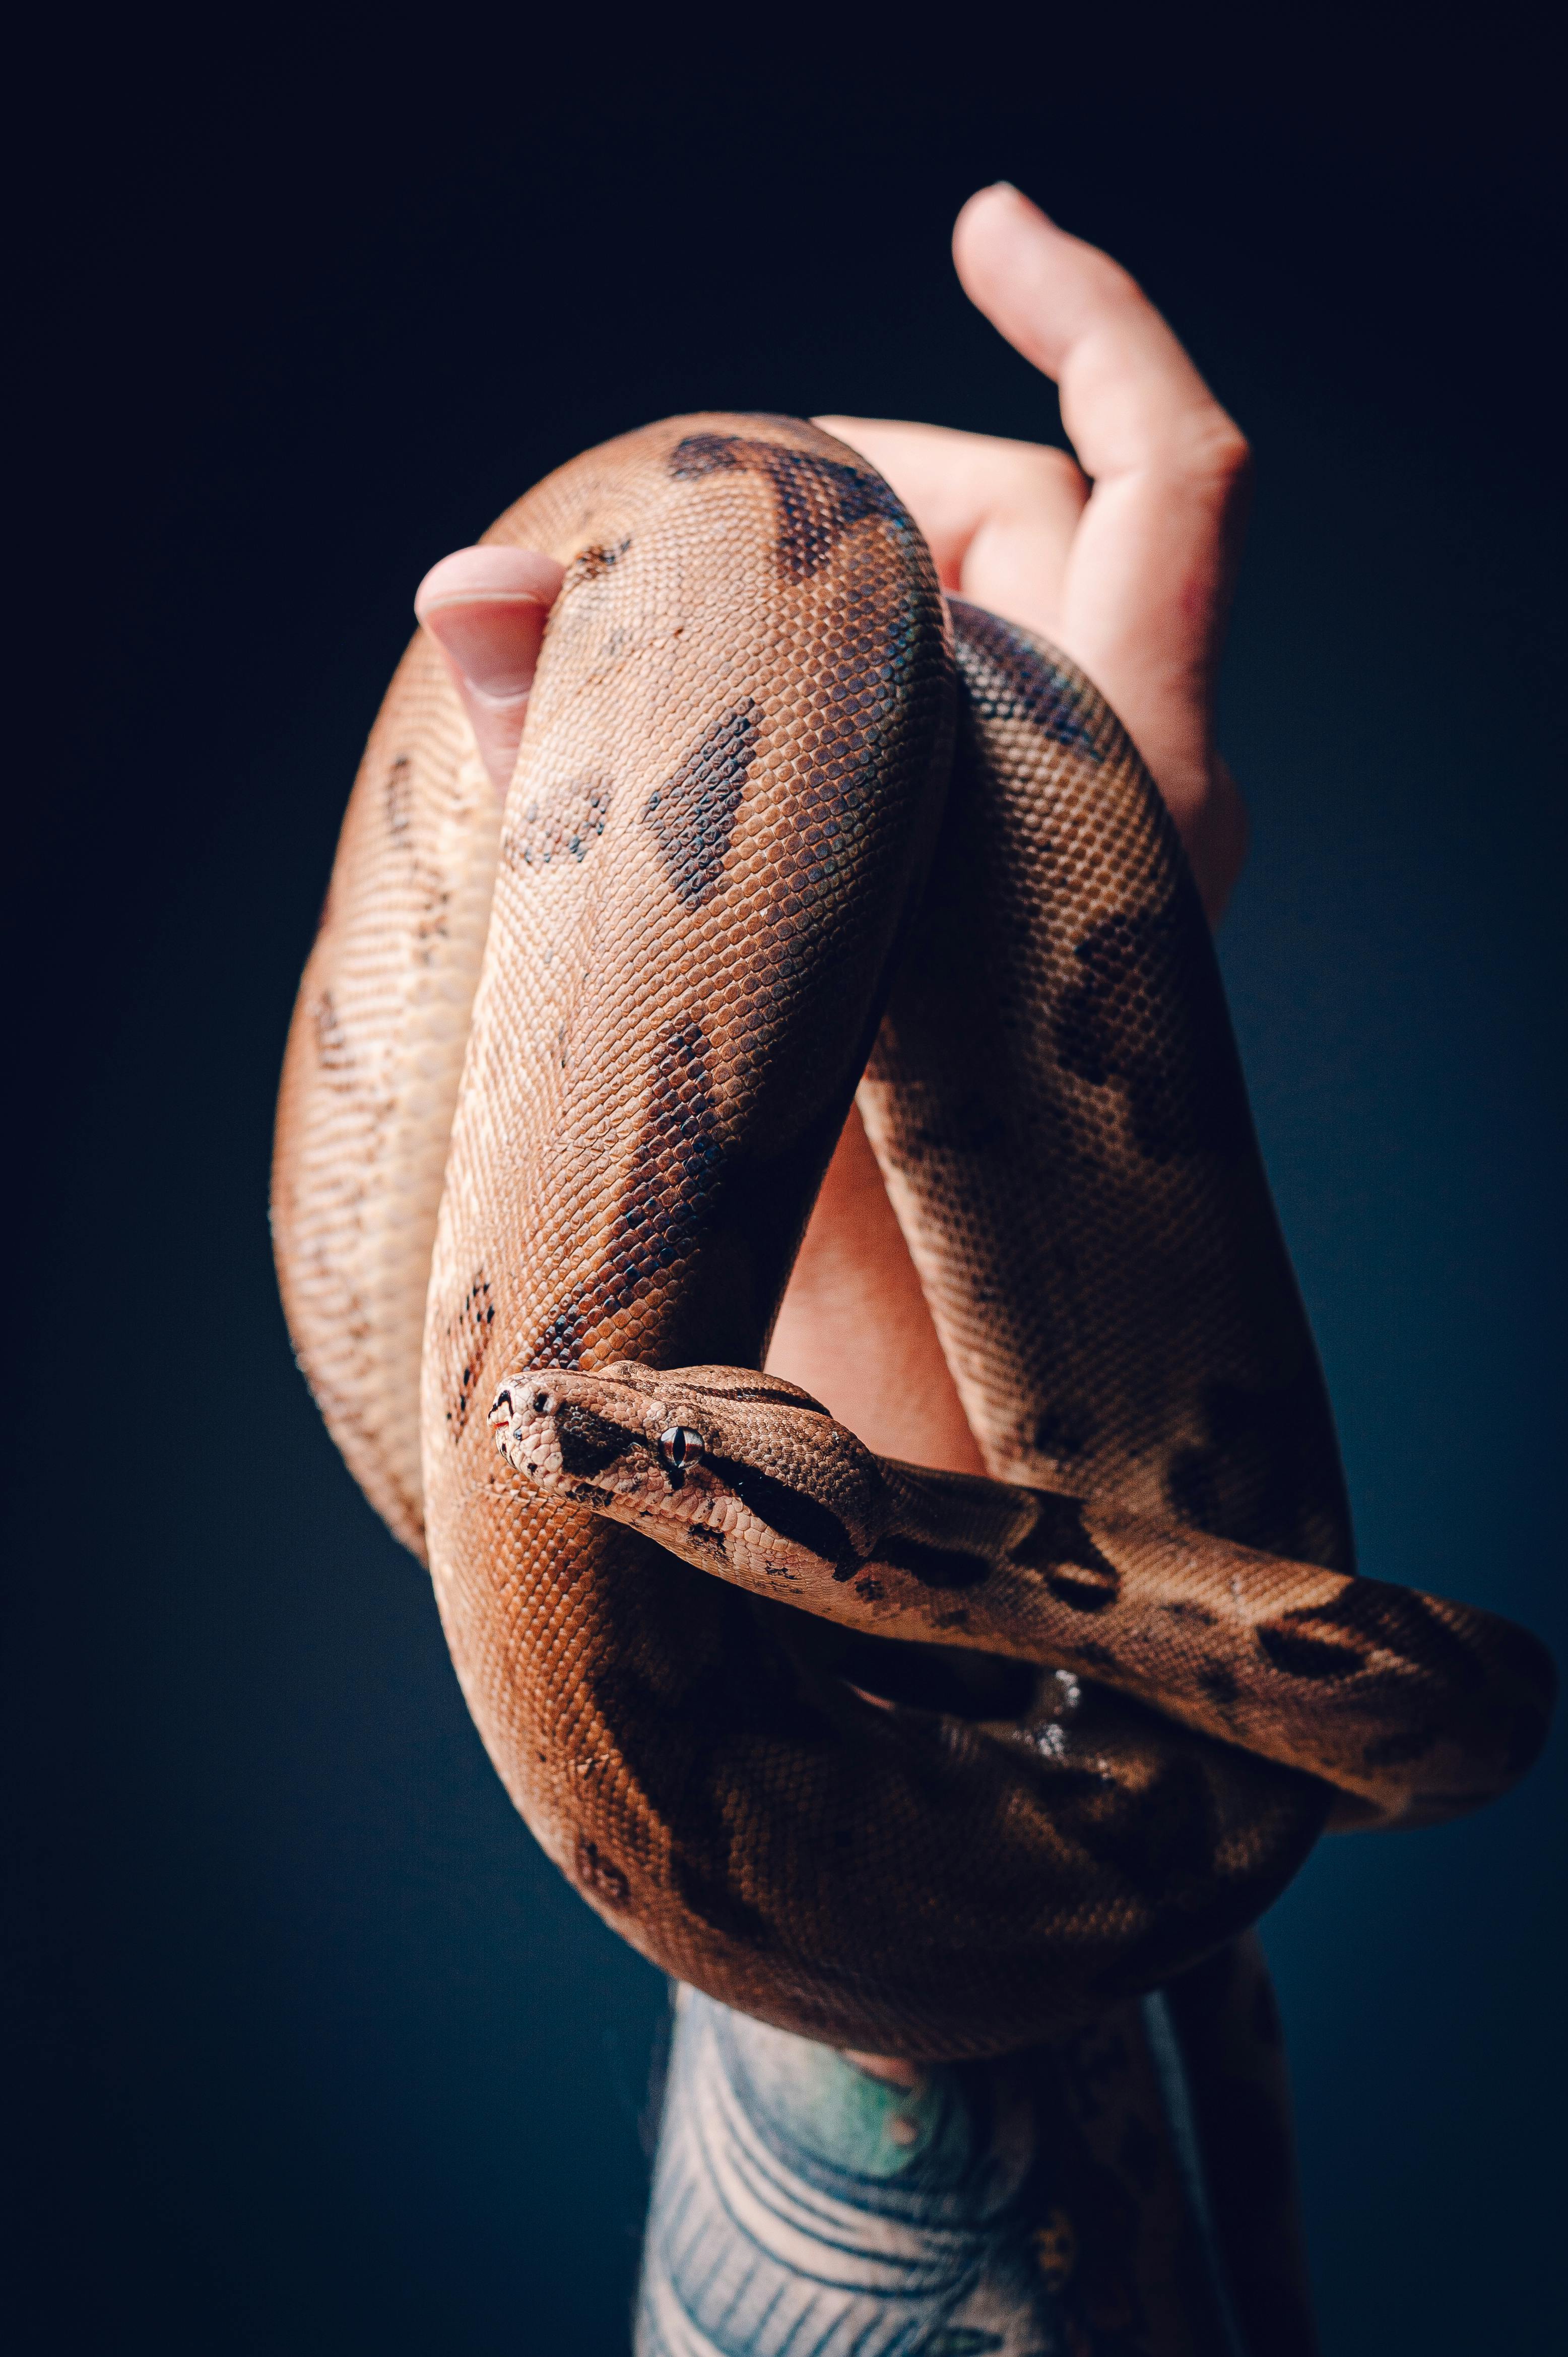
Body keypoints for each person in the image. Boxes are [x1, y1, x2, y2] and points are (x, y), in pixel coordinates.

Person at [417, 183, 1313, 2355]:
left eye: (679, 1489)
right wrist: (849, 1203)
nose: (570, 1426)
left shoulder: (1196, 1771)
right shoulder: (1203, 1764)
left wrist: (797, 1157)